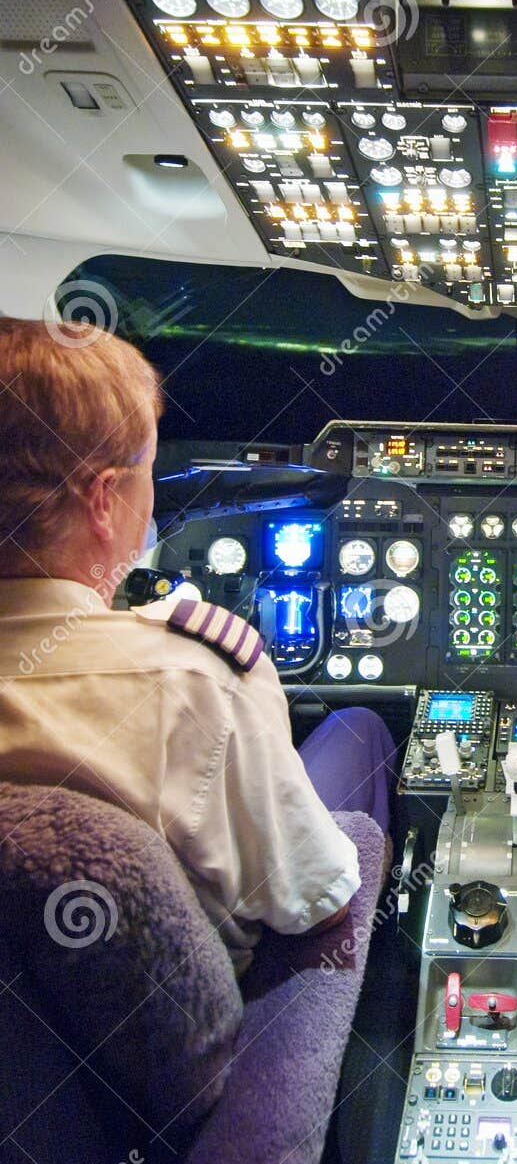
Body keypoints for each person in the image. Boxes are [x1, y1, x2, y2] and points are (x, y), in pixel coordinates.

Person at [0, 319, 395, 971]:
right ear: (103, 500)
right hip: (193, 1032)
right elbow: (318, 903)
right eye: (147, 469)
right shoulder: (191, 676)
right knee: (360, 731)